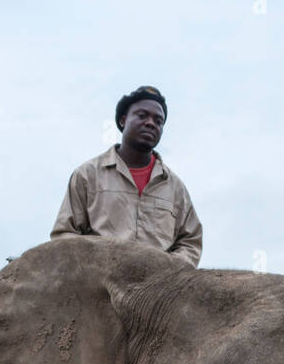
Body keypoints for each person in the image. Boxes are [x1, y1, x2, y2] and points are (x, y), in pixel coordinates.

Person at [50, 85, 202, 266]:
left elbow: (190, 241)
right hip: (98, 288)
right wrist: (95, 266)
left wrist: (169, 271)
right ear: (123, 121)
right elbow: (64, 234)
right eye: (142, 115)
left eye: (158, 120)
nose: (151, 123)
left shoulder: (175, 188)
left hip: (157, 290)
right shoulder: (88, 175)